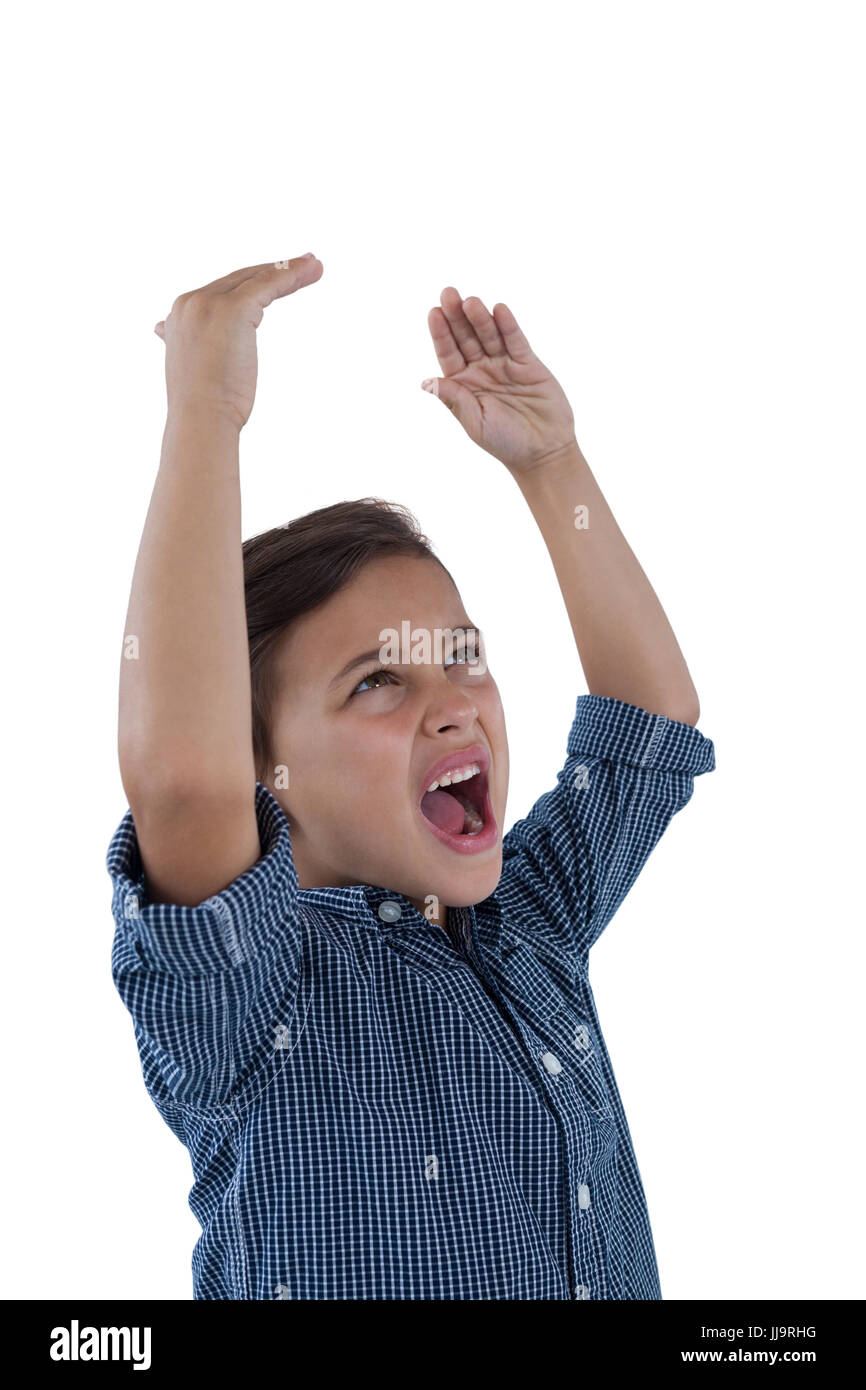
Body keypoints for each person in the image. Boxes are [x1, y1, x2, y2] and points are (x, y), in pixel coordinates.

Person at [107, 254, 715, 1300]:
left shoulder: (533, 920)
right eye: (375, 681)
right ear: (264, 768)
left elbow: (648, 718)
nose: (451, 702)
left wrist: (551, 465)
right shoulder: (254, 999)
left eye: (461, 655)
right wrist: (203, 413)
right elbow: (182, 784)